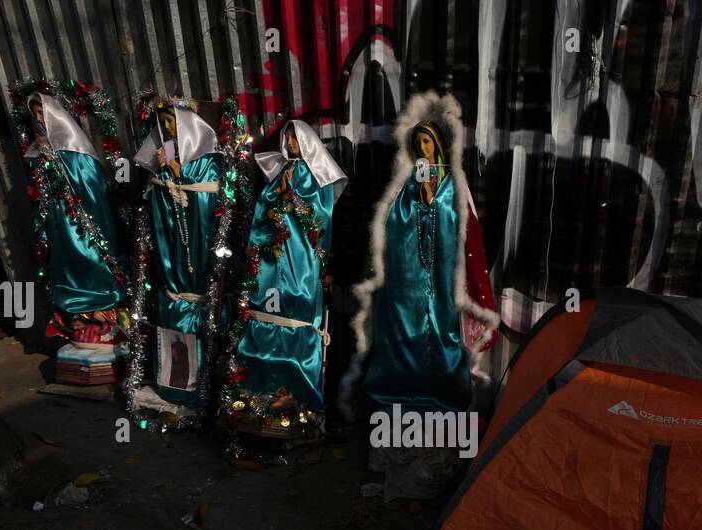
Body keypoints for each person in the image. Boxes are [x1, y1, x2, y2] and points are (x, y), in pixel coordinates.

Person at [343, 92, 499, 498]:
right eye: (419, 144)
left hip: (442, 301)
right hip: (405, 297)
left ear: (440, 146)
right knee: (398, 358)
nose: (424, 150)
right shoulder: (404, 190)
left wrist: (435, 204)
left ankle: (439, 438)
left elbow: (465, 243)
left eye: (429, 143)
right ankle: (396, 437)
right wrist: (417, 205)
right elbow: (390, 239)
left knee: (442, 359)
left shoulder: (453, 189)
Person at [222, 120, 347, 447]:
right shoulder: (277, 173)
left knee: (295, 306)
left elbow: (319, 216)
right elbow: (263, 213)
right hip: (271, 258)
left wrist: (292, 198)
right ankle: (260, 394)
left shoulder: (312, 175)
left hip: (298, 256)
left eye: (295, 138)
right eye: (286, 137)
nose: (289, 142)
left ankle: (297, 396)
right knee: (265, 308)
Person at [130, 101, 224, 418]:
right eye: (163, 124)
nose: (167, 130)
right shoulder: (164, 154)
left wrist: (181, 181)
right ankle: (171, 383)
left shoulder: (207, 160)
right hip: (173, 259)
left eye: (172, 123)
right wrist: (166, 181)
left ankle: (199, 384)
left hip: (199, 256)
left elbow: (208, 202)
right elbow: (155, 200)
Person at [23, 92, 124, 345]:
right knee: (66, 266)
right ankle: (78, 326)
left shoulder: (75, 149)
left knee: (90, 260)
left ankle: (100, 320)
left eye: (41, 113)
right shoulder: (40, 148)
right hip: (59, 224)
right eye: (34, 114)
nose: (38, 119)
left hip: (82, 223)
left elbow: (92, 190)